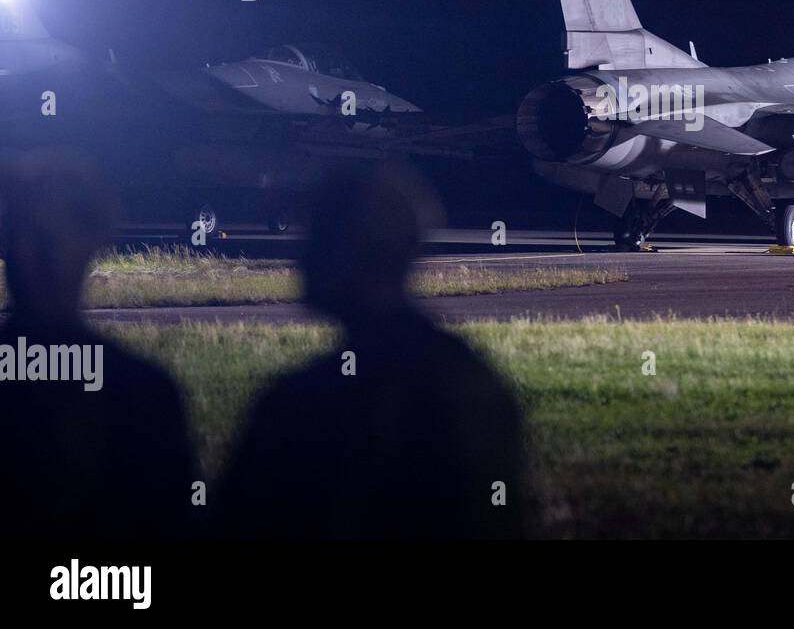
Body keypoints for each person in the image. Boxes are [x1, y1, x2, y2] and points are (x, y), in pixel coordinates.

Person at [219, 162, 531, 538]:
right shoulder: (473, 382)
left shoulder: (302, 401)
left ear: (350, 252)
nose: (302, 260)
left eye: (316, 242)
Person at [0, 151, 195, 540]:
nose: (44, 259)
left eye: (55, 239)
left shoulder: (145, 393)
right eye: (31, 237)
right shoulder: (142, 389)